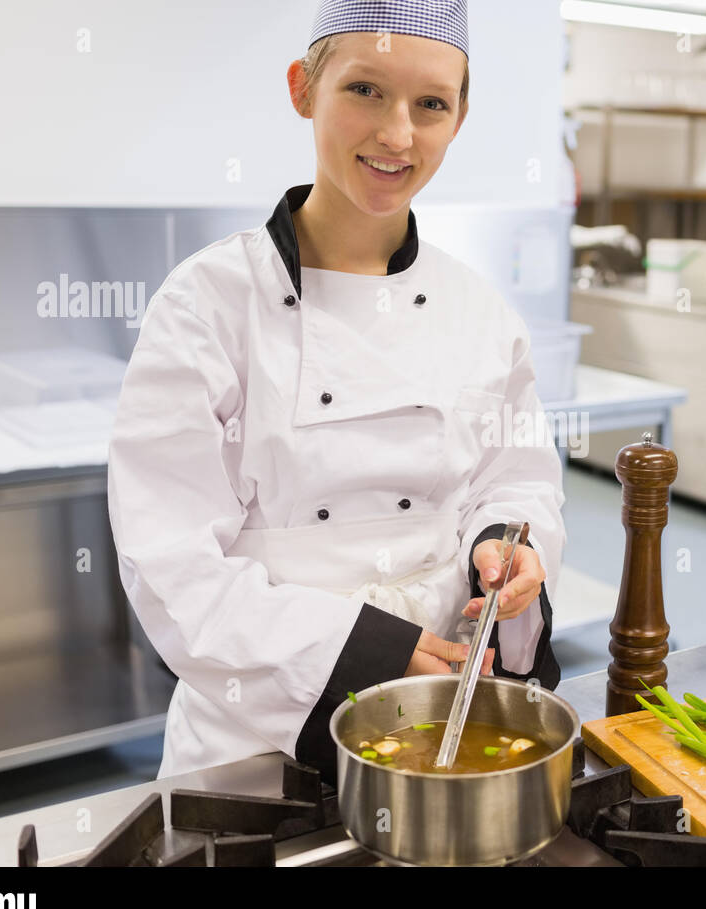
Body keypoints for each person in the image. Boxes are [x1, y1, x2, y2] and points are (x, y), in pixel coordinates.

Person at [107, 0, 565, 783]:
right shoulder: (208, 305)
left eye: (431, 104)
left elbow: (515, 474)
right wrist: (367, 652)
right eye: (364, 91)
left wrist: (508, 543)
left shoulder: (478, 312)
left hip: (444, 724)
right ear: (302, 89)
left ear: (459, 117)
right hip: (253, 749)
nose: (397, 134)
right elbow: (172, 567)